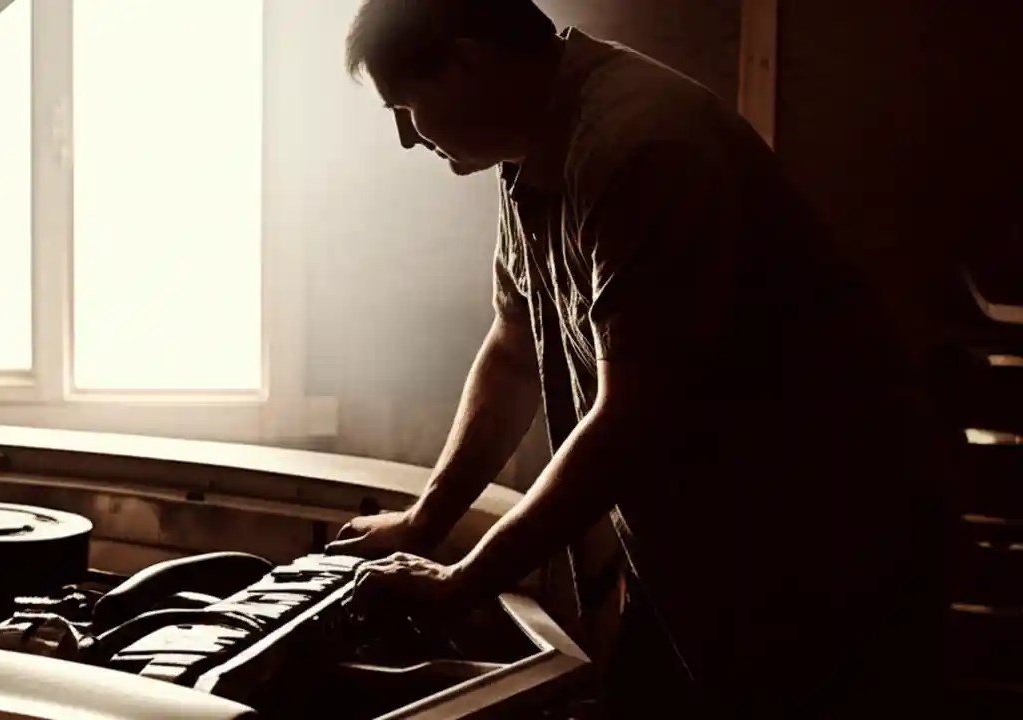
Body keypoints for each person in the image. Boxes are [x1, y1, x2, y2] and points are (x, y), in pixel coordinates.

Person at [326, 0, 949, 716]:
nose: (407, 140)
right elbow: (515, 349)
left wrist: (464, 579)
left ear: (467, 62)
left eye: (405, 107)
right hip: (714, 546)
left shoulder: (640, 143)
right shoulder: (530, 149)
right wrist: (422, 524)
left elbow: (633, 417)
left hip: (823, 545)